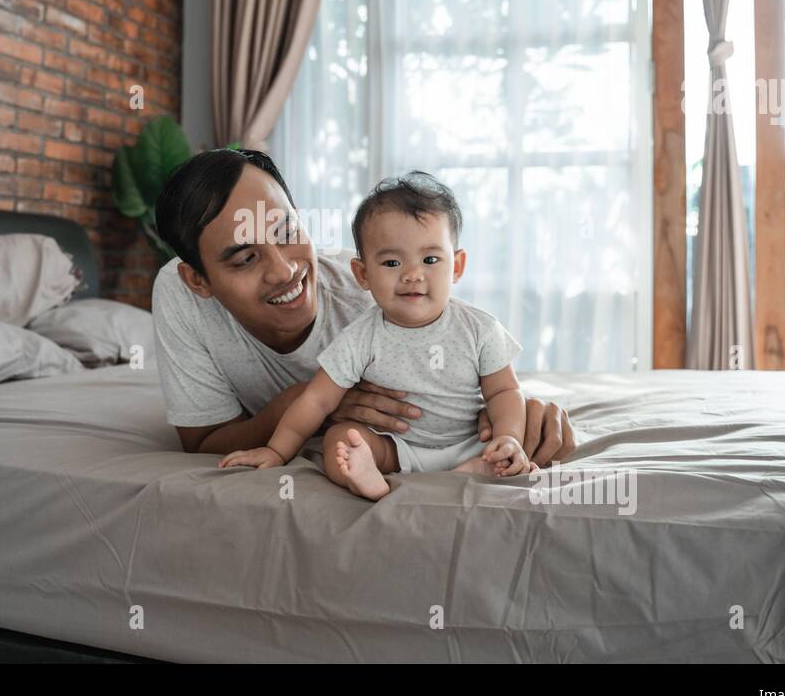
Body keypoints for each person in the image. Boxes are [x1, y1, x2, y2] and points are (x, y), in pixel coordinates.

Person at [150, 148, 576, 465]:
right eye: (246, 258)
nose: (284, 270)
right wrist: (308, 404)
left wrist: (513, 421)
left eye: (286, 231)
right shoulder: (179, 293)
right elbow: (201, 442)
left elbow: (475, 367)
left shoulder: (374, 296)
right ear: (198, 279)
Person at [218, 171, 535, 500]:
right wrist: (277, 451)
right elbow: (316, 400)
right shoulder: (360, 338)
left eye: (430, 259)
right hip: (398, 450)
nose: (412, 275)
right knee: (341, 440)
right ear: (363, 274)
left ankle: (484, 464)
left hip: (471, 441)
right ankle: (366, 476)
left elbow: (504, 392)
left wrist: (508, 436)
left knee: (508, 437)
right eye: (392, 262)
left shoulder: (479, 328)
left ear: (456, 266)